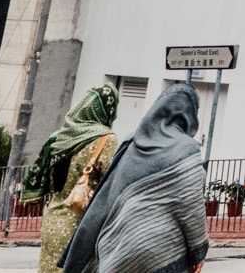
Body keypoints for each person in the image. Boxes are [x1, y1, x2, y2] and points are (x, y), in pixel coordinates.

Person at [58, 83, 207, 273]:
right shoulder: (186, 149)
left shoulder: (132, 141)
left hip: (117, 246)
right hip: (160, 249)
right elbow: (191, 209)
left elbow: (107, 195)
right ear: (189, 113)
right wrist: (198, 251)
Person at [24, 83, 119, 273]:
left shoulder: (59, 137)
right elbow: (112, 184)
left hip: (52, 220)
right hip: (82, 226)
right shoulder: (106, 140)